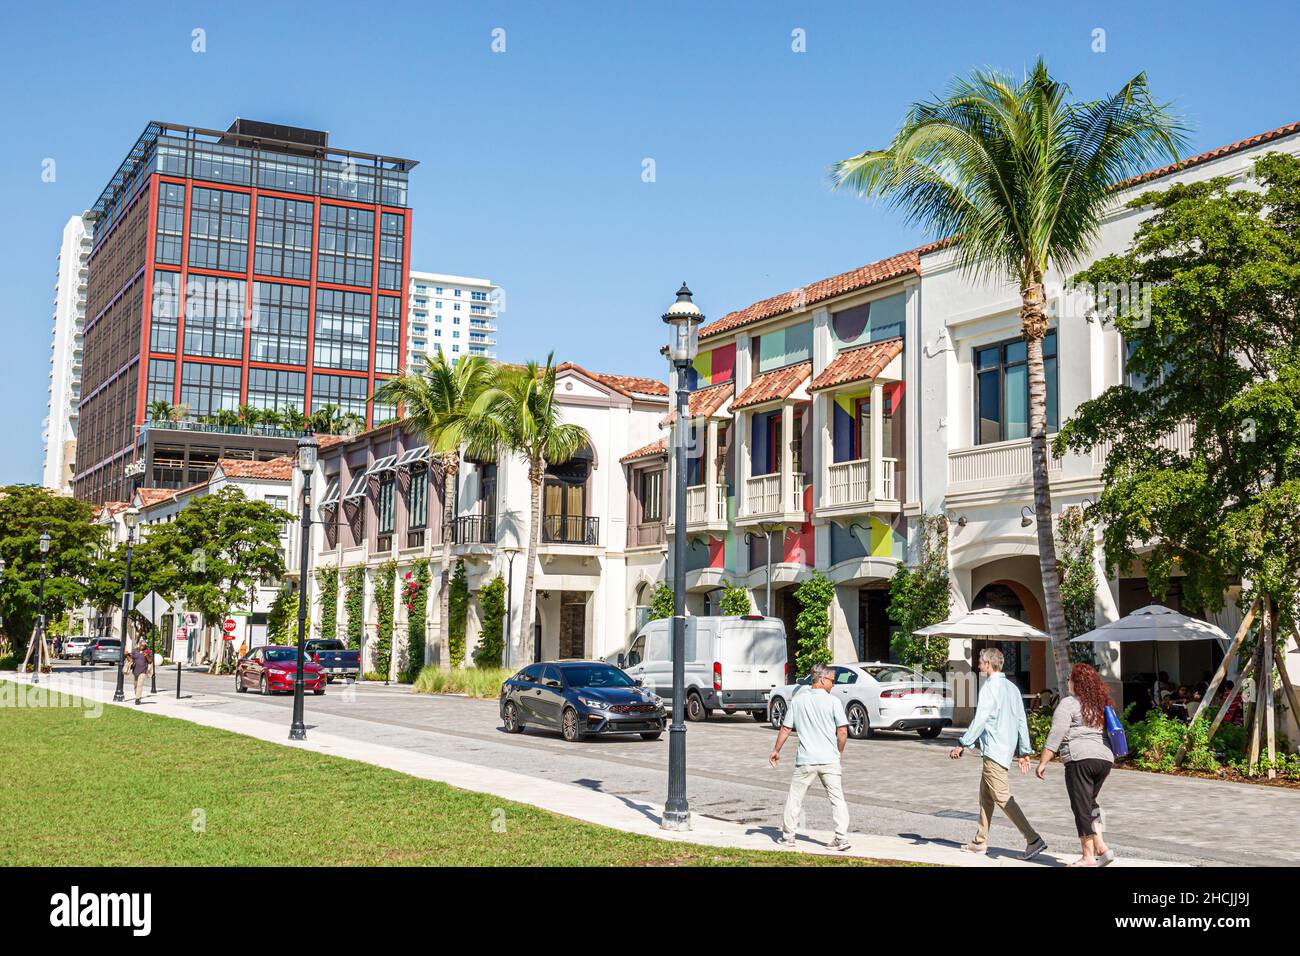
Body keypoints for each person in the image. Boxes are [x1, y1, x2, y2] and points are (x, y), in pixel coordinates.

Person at [950, 647, 1046, 860]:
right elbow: (1022, 720)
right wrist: (1024, 751)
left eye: (980, 662)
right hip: (1005, 750)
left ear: (988, 665)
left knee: (1002, 797)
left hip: (994, 751)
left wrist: (963, 743)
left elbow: (980, 719)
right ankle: (979, 841)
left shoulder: (989, 687)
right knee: (986, 797)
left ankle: (1033, 839)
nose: (978, 665)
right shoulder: (1012, 688)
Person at [1035, 663, 1116, 867]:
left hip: (1080, 759)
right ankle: (1102, 848)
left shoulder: (1068, 703)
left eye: (1069, 678)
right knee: (1089, 804)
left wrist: (1043, 761)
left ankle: (1088, 857)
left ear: (1076, 683)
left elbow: (1056, 734)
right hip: (1104, 759)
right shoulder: (1101, 704)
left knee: (1081, 807)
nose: (1067, 682)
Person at [769, 662, 852, 851]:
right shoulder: (834, 702)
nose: (834, 684)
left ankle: (789, 836)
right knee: (837, 798)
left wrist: (776, 750)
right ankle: (841, 838)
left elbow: (786, 728)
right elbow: (843, 731)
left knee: (795, 798)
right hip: (830, 759)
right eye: (832, 680)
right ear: (821, 679)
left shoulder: (798, 700)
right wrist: (839, 751)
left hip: (806, 759)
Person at [124, 640, 154, 705]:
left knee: (140, 684)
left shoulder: (148, 651)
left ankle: (137, 699)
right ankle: (137, 696)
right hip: (135, 670)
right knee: (135, 685)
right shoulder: (135, 651)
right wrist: (126, 655)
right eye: (141, 645)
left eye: (144, 645)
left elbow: (150, 661)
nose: (142, 646)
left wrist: (146, 656)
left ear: (145, 646)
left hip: (143, 670)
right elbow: (130, 659)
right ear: (139, 644)